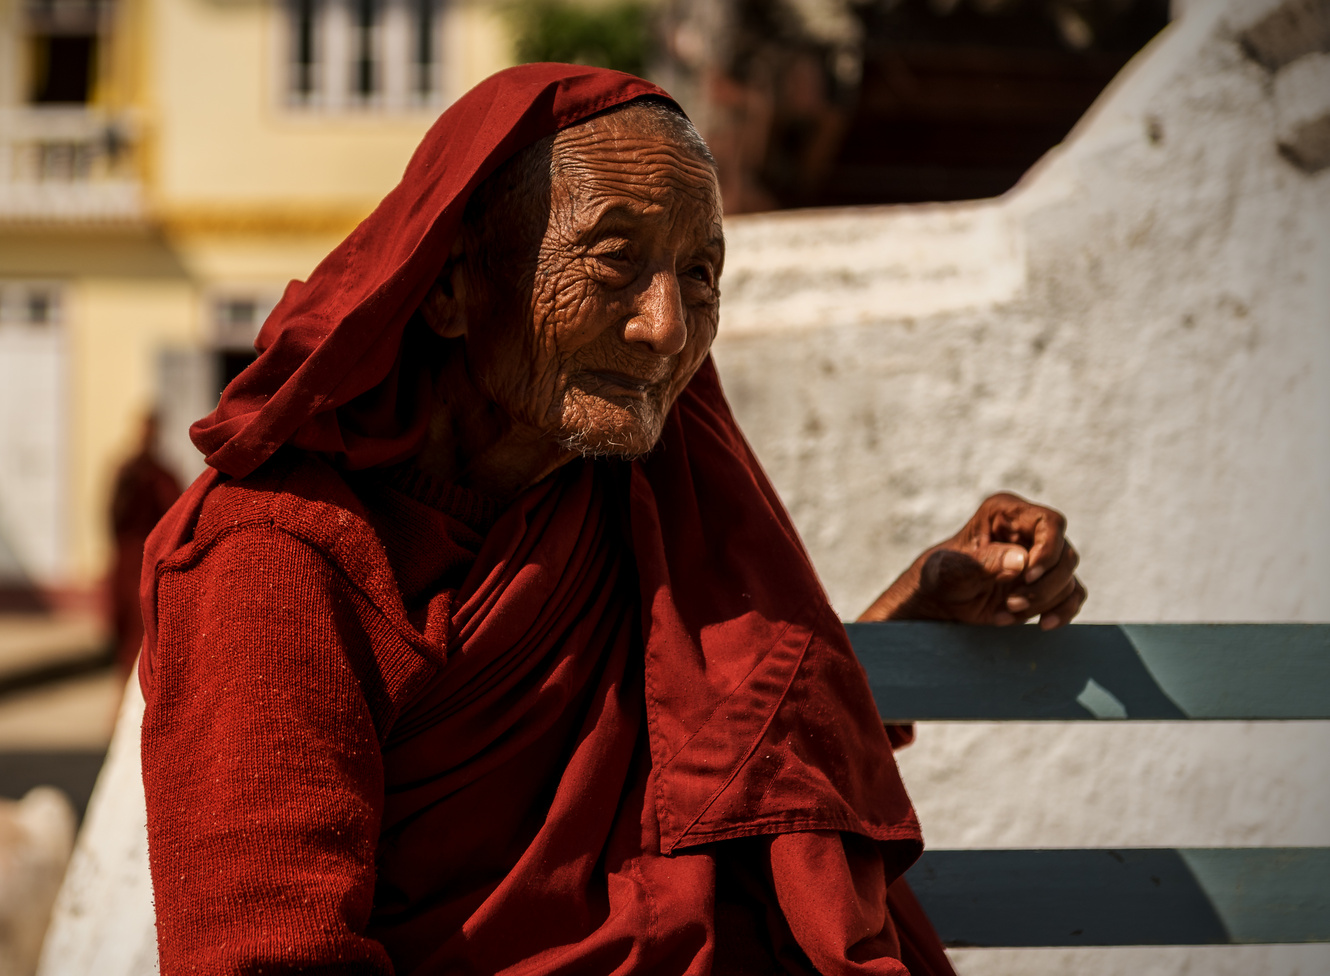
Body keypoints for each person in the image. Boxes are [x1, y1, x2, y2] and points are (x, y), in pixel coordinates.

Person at [137, 66, 1085, 975]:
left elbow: (713, 734)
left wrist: (916, 618)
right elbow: (267, 958)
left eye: (700, 275)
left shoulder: (622, 484)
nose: (667, 327)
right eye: (616, 263)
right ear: (451, 286)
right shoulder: (278, 559)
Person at [107, 411, 182, 673]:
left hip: (152, 563)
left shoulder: (164, 476)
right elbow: (113, 517)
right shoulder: (127, 472)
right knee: (127, 639)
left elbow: (176, 517)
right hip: (129, 561)